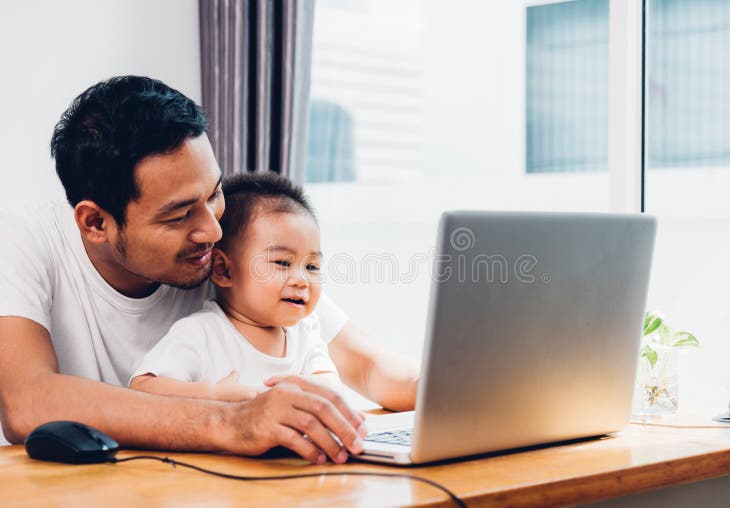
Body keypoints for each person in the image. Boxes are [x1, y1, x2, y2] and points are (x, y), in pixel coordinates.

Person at [0, 76, 418, 465]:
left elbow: (369, 366)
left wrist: (469, 392)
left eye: (214, 192)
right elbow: (27, 402)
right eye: (179, 214)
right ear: (95, 223)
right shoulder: (23, 240)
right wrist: (230, 421)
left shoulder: (226, 246)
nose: (213, 229)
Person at [130, 172, 344, 401]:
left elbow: (332, 385)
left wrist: (314, 386)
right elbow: (142, 387)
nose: (301, 280)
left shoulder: (305, 331)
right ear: (224, 270)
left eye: (312, 266)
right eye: (283, 263)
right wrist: (212, 394)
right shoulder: (202, 333)